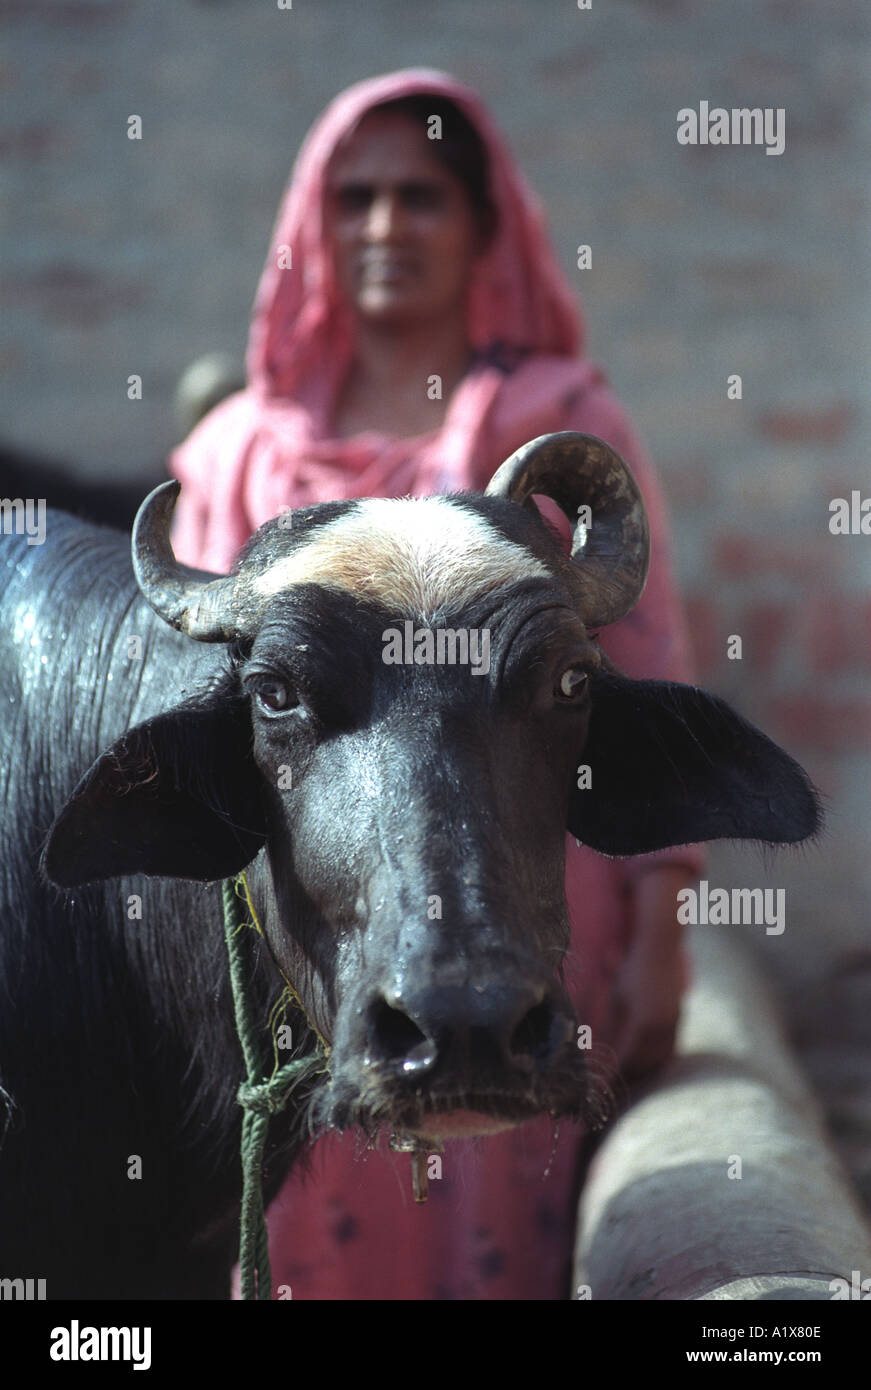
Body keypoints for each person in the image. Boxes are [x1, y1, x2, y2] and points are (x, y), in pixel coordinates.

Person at [168, 68, 703, 1299]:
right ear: (313, 227)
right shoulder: (241, 447)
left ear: (483, 227)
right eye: (353, 199)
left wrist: (669, 930)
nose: (385, 227)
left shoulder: (562, 422)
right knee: (302, 1226)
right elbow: (205, 703)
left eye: (420, 197)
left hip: (520, 915)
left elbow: (649, 661)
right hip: (313, 939)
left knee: (497, 1228)